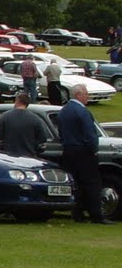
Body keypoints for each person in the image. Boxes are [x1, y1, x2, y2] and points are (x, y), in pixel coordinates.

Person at [58, 84, 110, 223]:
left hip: (69, 151)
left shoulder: (63, 111)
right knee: (92, 184)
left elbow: (62, 133)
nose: (87, 96)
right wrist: (94, 150)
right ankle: (96, 215)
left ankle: (78, 213)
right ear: (78, 95)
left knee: (76, 184)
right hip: (84, 152)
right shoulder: (82, 111)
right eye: (86, 94)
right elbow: (90, 134)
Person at [0, 92, 44, 161]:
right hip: (29, 158)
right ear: (27, 104)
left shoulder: (4, 117)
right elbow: (42, 142)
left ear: (17, 101)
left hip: (9, 158)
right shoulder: (36, 119)